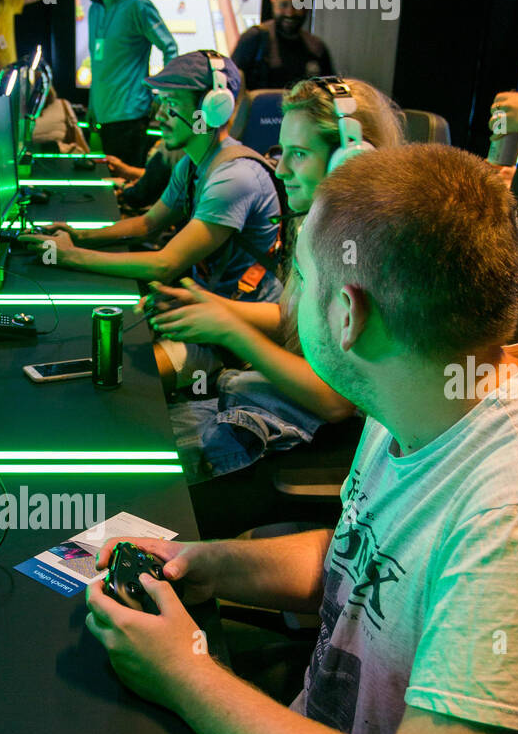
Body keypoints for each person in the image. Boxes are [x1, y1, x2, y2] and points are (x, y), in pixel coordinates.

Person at [87, 143, 518, 734]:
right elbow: (370, 557)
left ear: (347, 314)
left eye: (305, 273)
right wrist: (213, 565)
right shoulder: (422, 388)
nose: (288, 293)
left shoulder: (515, 511)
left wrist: (186, 677)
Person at [148, 77, 404, 481]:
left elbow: (336, 400)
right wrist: (215, 307)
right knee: (140, 425)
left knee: (137, 468)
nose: (280, 169)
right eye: (282, 151)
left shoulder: (363, 254)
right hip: (271, 399)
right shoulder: (319, 227)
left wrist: (231, 330)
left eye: (299, 154)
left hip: (308, 433)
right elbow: (296, 318)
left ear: (352, 161)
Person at [21, 51, 281, 305]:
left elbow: (165, 265)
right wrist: (80, 236)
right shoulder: (191, 164)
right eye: (162, 103)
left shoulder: (233, 179)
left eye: (172, 105)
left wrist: (68, 256)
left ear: (212, 110)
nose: (159, 116)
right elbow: (148, 223)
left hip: (243, 316)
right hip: (209, 302)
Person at [86, 0, 177, 166]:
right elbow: (98, 64)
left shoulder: (138, 6)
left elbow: (170, 47)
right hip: (103, 118)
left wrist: (163, 94)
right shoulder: (94, 9)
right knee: (108, 188)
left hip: (130, 118)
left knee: (127, 191)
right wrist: (91, 105)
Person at [232, 0, 335, 91]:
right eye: (283, 5)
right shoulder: (254, 39)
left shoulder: (317, 49)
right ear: (273, 4)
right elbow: (231, 87)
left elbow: (328, 96)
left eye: (297, 5)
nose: (289, 13)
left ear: (307, 8)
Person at [31, 84, 89, 152]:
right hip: (35, 153)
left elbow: (75, 130)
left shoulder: (62, 104)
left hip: (59, 153)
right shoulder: (23, 109)